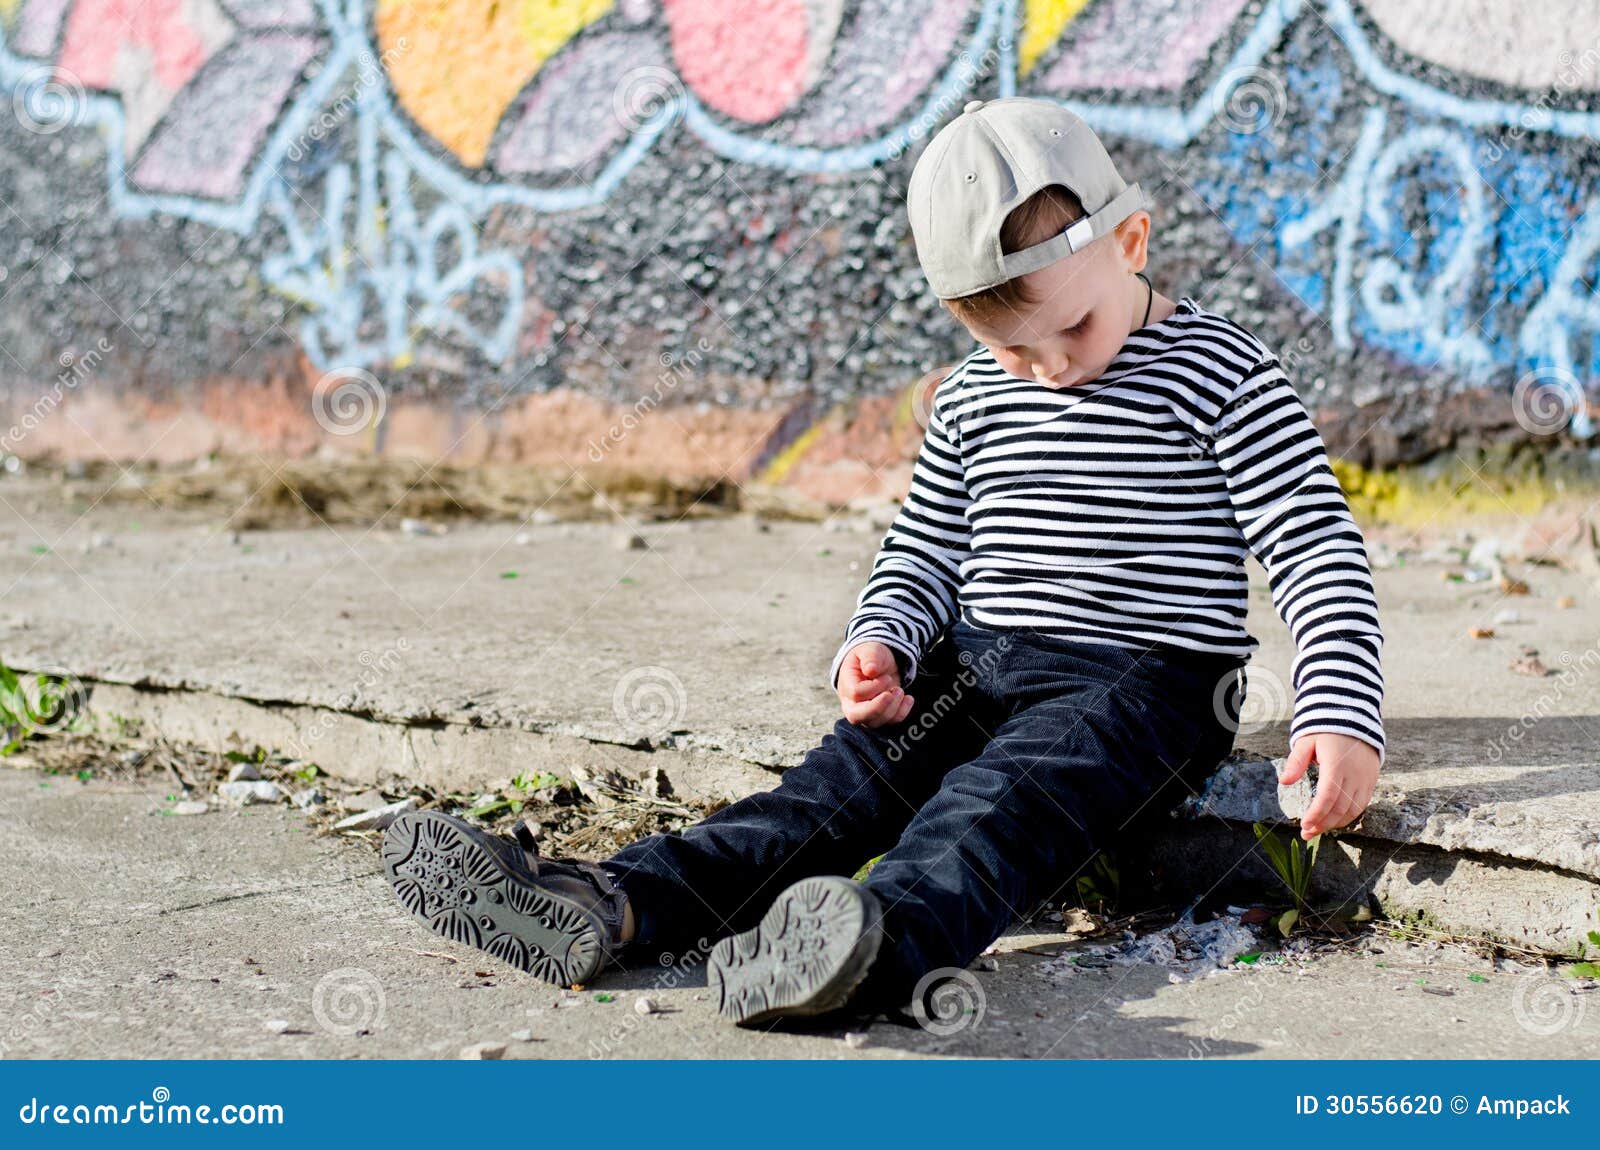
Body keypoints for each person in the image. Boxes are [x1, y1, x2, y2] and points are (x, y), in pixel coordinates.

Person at [382, 97, 1385, 1029]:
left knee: (998, 802)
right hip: (977, 662)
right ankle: (613, 901)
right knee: (824, 796)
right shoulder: (968, 400)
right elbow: (926, 544)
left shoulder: (1220, 369)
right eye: (1012, 349)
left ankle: (875, 947)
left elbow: (1311, 540)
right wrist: (882, 637)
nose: (1050, 368)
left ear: (1132, 240)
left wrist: (1338, 708)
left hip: (1145, 682)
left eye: (1072, 326)